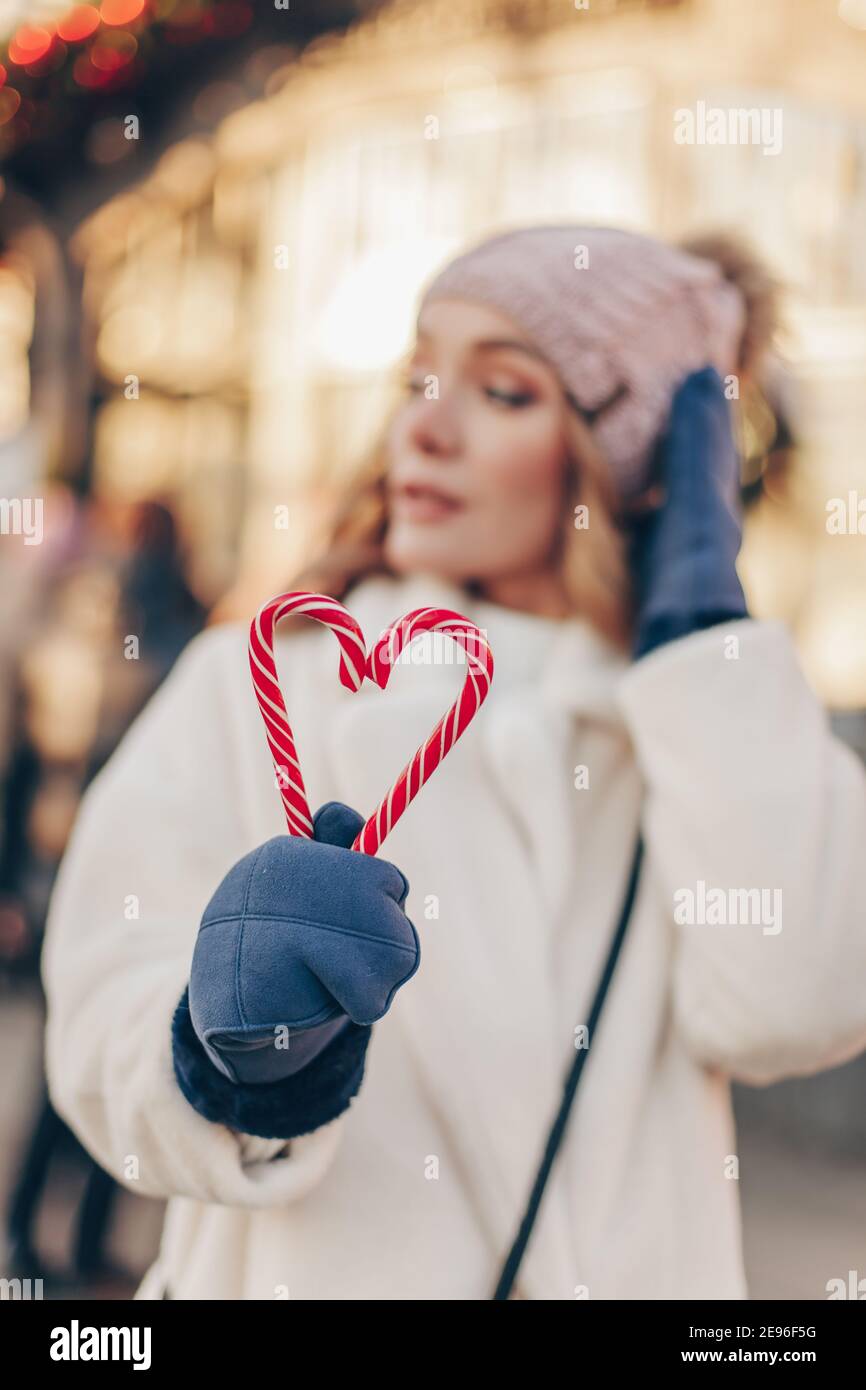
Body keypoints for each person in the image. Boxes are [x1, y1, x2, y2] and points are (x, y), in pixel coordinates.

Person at [40, 225, 866, 1300]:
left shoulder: (695, 726)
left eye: (505, 393)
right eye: (419, 378)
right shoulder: (270, 681)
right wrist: (225, 1053)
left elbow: (789, 1009)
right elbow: (97, 1007)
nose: (424, 426)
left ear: (628, 455)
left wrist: (703, 630)